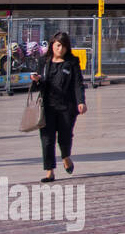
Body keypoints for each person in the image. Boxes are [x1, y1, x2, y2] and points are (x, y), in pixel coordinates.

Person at [30, 31, 86, 183]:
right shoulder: (44, 61)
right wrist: (36, 80)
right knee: (47, 139)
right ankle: (50, 171)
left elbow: (78, 84)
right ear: (52, 45)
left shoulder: (72, 62)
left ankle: (66, 156)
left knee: (65, 137)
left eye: (64, 46)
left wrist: (81, 101)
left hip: (67, 107)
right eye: (58, 45)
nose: (60, 49)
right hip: (47, 107)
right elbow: (40, 85)